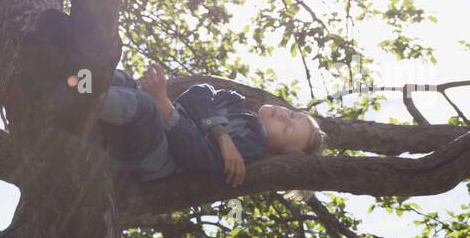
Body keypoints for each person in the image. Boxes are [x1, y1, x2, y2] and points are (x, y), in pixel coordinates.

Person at [85, 61, 326, 187]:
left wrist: (163, 103)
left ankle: (79, 96)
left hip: (156, 154)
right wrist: (221, 135)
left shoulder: (251, 145)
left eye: (287, 128)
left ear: (276, 152)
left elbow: (195, 154)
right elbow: (197, 94)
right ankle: (68, 67)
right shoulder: (235, 103)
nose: (284, 117)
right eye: (293, 115)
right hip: (153, 127)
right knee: (124, 80)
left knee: (143, 106)